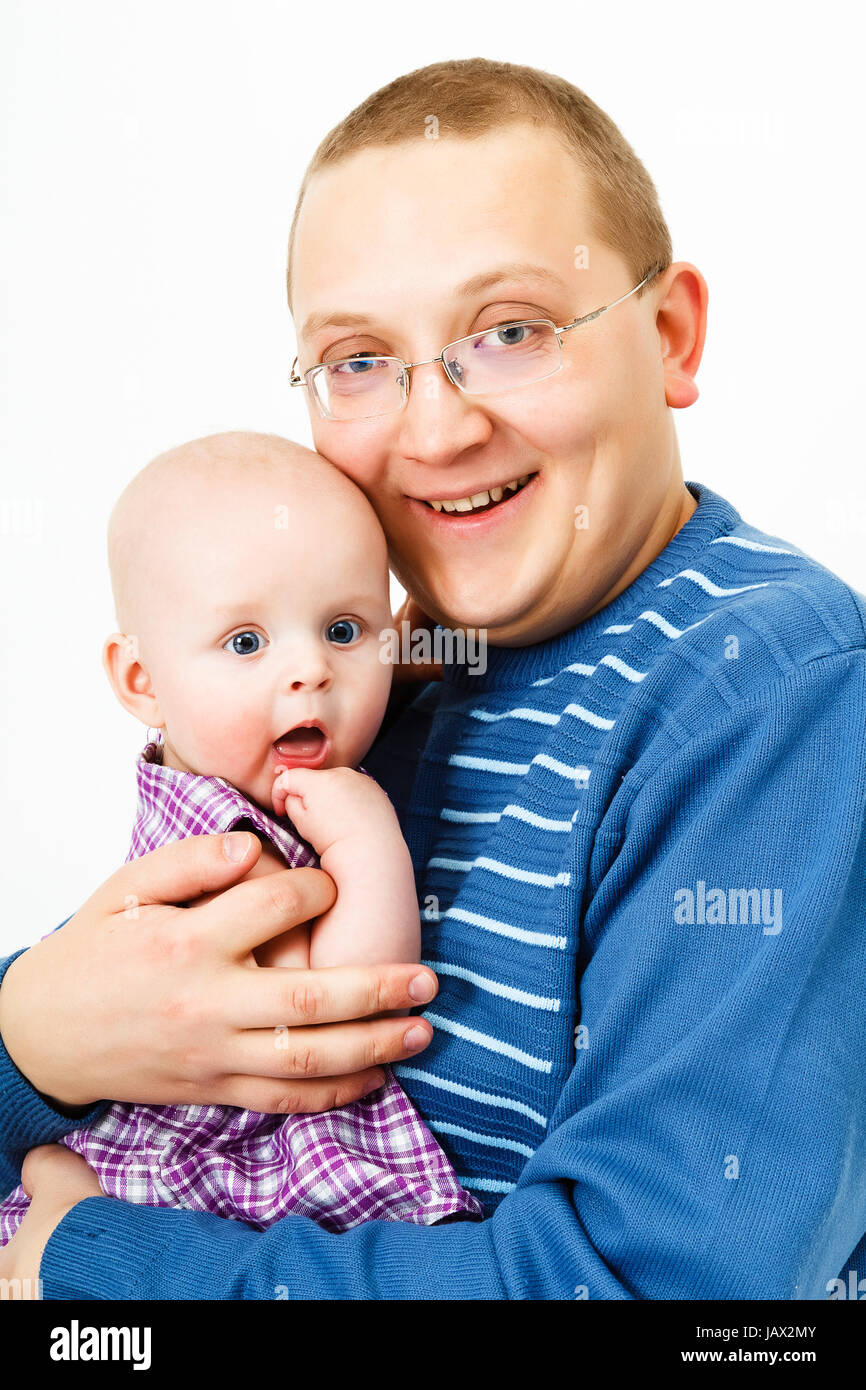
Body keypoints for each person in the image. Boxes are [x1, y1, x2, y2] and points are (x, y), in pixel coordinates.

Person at [1, 56, 865, 1300]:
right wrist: (31, 1039)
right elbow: (130, 990)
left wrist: (99, 1271)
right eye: (357, 359)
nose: (436, 427)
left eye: (508, 333)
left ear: (669, 337)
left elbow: (662, 1296)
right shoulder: (378, 659)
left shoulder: (767, 694)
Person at [0, 432, 482, 1243]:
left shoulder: (244, 788)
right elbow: (332, 1011)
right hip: (196, 1179)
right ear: (141, 681)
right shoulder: (219, 833)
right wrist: (370, 849)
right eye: (246, 643)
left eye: (342, 629)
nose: (310, 672)